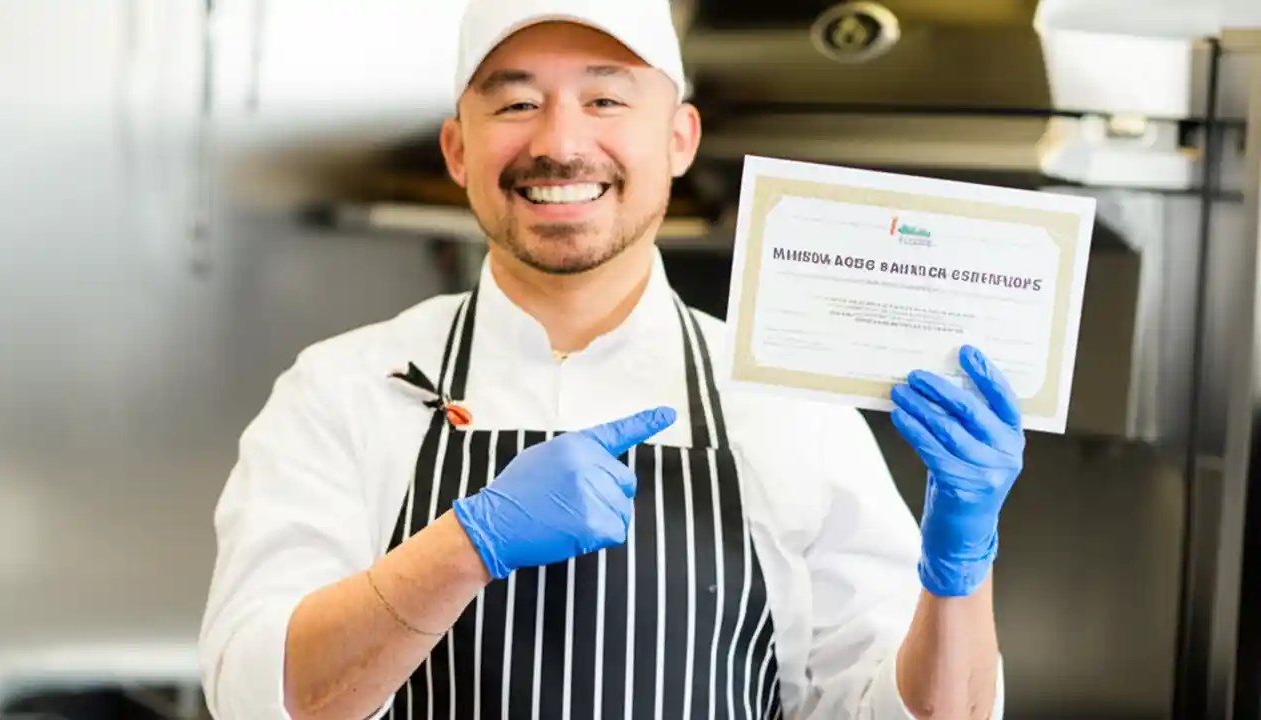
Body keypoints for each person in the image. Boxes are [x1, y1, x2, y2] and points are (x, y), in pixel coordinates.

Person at [197, 0, 1024, 717]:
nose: (560, 142)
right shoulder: (341, 392)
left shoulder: (786, 405)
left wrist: (961, 565)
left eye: (604, 98)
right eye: (516, 103)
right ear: (457, 150)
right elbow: (260, 696)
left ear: (677, 138)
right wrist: (464, 546)